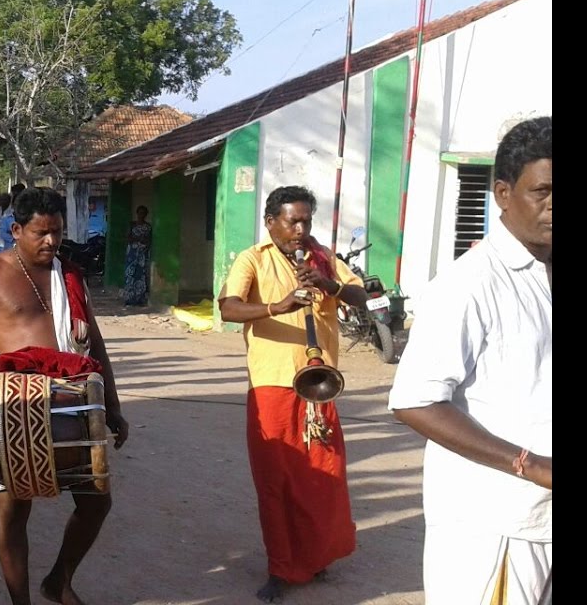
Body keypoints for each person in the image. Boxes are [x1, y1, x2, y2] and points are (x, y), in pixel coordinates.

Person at [0, 186, 129, 605]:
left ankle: (58, 579)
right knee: (13, 514)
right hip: (14, 409)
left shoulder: (71, 275)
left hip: (72, 404)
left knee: (97, 503)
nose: (51, 242)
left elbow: (94, 344)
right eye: (41, 233)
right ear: (16, 229)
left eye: (57, 232)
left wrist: (111, 405)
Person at [388, 116, 551, 603]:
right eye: (541, 191)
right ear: (502, 193)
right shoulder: (470, 284)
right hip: (495, 524)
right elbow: (414, 401)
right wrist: (529, 464)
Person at [217, 185, 371, 603]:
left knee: (323, 479)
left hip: (319, 387)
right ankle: (281, 567)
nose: (301, 229)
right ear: (271, 222)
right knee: (277, 482)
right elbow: (227, 307)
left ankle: (314, 556)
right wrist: (276, 307)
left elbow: (362, 297)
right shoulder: (253, 258)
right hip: (273, 385)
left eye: (306, 221)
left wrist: (328, 284)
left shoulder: (323, 257)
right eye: (293, 221)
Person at [123, 205, 152, 306]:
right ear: (137, 213)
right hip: (132, 253)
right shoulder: (132, 225)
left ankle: (140, 299)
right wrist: (139, 239)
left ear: (146, 215)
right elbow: (128, 237)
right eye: (140, 213)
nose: (141, 215)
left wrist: (142, 242)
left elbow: (149, 241)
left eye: (143, 213)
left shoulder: (148, 227)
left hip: (142, 255)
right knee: (130, 275)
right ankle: (129, 299)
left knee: (141, 276)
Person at [0, 183, 26, 253]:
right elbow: (3, 231)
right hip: (7, 248)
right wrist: (13, 238)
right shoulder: (8, 215)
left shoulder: (28, 215)